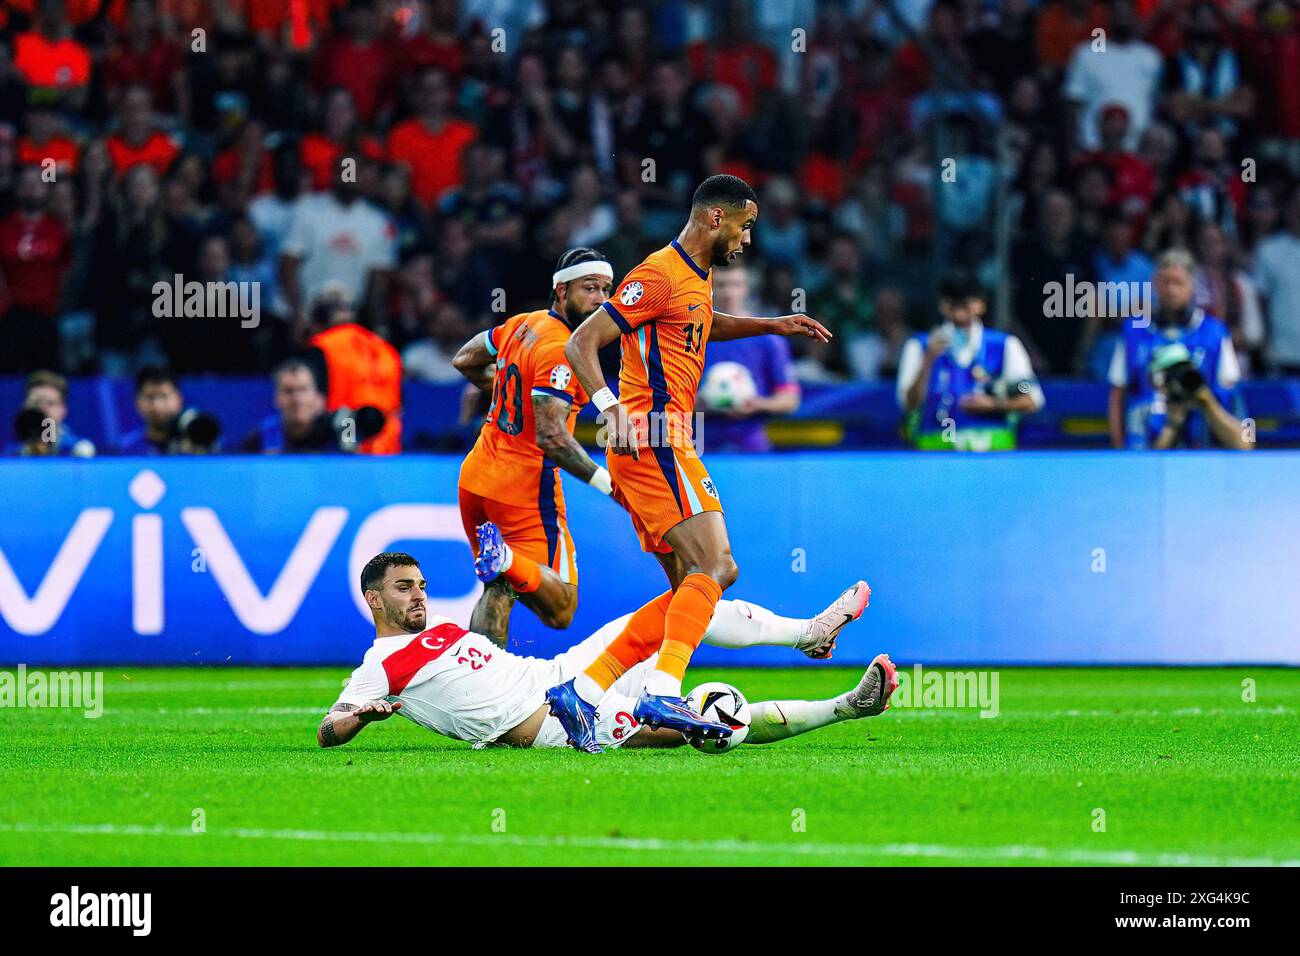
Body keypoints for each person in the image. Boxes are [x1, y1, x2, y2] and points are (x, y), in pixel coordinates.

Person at [549, 173, 832, 752]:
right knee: (719, 566)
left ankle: (583, 689)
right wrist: (610, 410)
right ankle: (662, 689)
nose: (748, 240)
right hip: (652, 437)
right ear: (714, 219)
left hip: (663, 439)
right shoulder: (657, 274)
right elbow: (581, 341)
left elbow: (702, 325)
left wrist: (772, 324)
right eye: (745, 226)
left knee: (689, 593)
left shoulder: (696, 278)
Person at [316, 551, 894, 752]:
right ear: (374, 599)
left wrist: (499, 584)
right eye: (403, 588)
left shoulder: (438, 630)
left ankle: (808, 633)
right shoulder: (379, 667)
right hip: (549, 723)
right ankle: (848, 706)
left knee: (681, 600)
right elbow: (327, 731)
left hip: (566, 674)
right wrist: (358, 717)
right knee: (714, 723)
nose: (418, 595)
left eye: (419, 584)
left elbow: (486, 647)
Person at [451, 247, 615, 643]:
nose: (600, 300)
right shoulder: (562, 347)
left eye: (607, 290)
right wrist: (609, 485)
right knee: (562, 609)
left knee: (500, 586)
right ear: (561, 291)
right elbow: (552, 436)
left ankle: (480, 691)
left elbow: (465, 358)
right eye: (589, 288)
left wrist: (504, 393)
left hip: (477, 478)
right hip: (524, 488)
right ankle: (505, 557)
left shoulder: (523, 324)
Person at [1107, 249, 1249, 450]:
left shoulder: (1214, 333)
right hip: (1141, 445)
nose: (1171, 289)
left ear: (1192, 286)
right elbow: (1117, 394)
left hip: (1199, 442)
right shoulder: (1133, 331)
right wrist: (1119, 448)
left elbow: (1234, 401)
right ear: (1155, 284)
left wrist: (1202, 398)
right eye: (1165, 282)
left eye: (1178, 283)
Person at [897, 274, 1045, 451]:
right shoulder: (921, 346)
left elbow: (1031, 397)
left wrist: (994, 404)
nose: (961, 314)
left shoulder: (1003, 346)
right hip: (935, 457)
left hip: (992, 456)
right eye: (954, 305)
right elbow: (909, 404)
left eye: (966, 306)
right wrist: (928, 361)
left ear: (981, 305)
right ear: (943, 306)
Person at [699, 264, 801, 452]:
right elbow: (667, 398)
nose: (728, 292)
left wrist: (754, 404)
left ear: (746, 288)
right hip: (701, 437)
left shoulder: (768, 337)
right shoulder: (692, 336)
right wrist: (702, 404)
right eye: (721, 285)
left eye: (735, 285)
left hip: (750, 437)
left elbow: (790, 399)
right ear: (709, 288)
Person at [238, 357, 382, 454]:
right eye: (289, 391)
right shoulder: (260, 438)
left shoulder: (340, 425)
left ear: (317, 397)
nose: (297, 399)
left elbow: (355, 460)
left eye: (303, 390)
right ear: (277, 398)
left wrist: (348, 432)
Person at [115, 367, 220, 455]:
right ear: (137, 402)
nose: (157, 406)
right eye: (150, 397)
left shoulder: (200, 442)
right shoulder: (127, 449)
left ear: (178, 399)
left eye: (164, 397)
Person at [6, 369, 94, 457]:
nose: (42, 408)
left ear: (63, 410)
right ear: (25, 406)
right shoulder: (11, 453)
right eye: (36, 402)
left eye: (50, 403)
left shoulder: (78, 450)